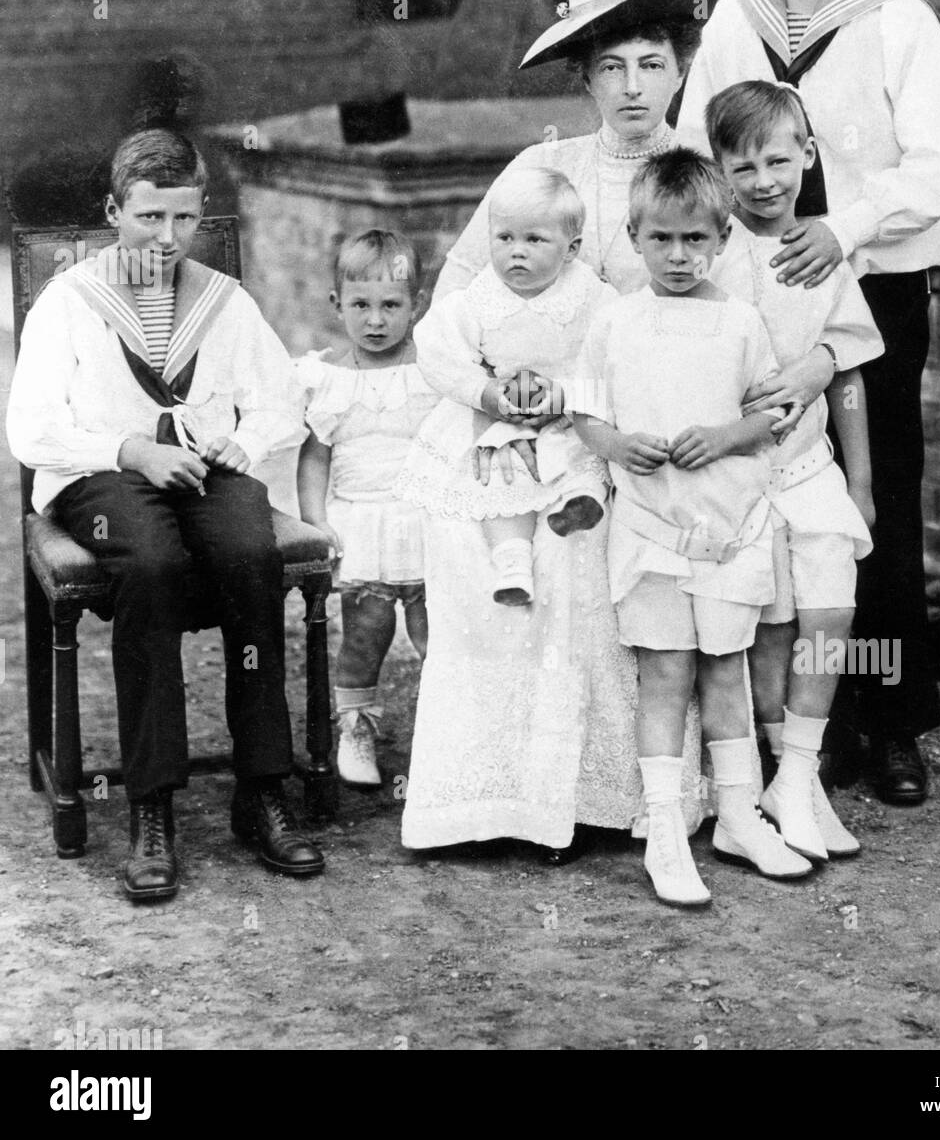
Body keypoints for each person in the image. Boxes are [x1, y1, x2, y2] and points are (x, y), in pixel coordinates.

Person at [399, 0, 724, 859]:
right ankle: (497, 793)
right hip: (525, 423)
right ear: (582, 80)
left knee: (592, 536)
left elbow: (731, 326)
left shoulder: (695, 181)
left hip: (643, 437)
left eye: (652, 63)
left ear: (679, 71)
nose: (632, 86)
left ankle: (613, 791)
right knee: (492, 534)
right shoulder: (542, 176)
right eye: (612, 66)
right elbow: (459, 296)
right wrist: (507, 387)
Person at [678, 0, 940, 805]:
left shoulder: (897, 18)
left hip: (869, 281)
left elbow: (932, 169)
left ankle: (891, 723)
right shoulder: (731, 24)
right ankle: (811, 722)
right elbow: (694, 149)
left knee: (873, 497)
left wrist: (844, 229)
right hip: (761, 287)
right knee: (776, 494)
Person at [6, 129, 324, 902]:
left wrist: (241, 445)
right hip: (101, 474)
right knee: (148, 564)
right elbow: (32, 428)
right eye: (149, 218)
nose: (167, 238)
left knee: (250, 554)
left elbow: (281, 398)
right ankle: (152, 804)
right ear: (114, 211)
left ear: (200, 213)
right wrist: (132, 450)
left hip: (206, 471)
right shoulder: (71, 299)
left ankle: (261, 788)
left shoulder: (221, 299)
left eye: (183, 219)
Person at [573, 149, 815, 907]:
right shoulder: (614, 321)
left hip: (728, 529)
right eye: (661, 240)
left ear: (721, 238)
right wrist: (614, 445)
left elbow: (771, 414)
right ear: (634, 237)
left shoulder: (740, 321)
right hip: (651, 534)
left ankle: (740, 814)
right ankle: (667, 828)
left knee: (726, 671)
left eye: (695, 241)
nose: (678, 257)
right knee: (666, 673)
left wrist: (724, 434)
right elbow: (584, 412)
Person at [707, 80, 884, 860]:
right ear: (718, 170)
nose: (764, 181)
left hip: (809, 467)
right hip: (740, 476)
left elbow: (846, 368)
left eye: (778, 161)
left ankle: (802, 768)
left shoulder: (816, 250)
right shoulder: (708, 253)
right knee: (767, 627)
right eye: (742, 167)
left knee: (829, 610)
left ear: (807, 157)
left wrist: (864, 482)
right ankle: (789, 783)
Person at [400, 168, 612, 608]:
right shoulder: (478, 298)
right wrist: (485, 393)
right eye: (504, 238)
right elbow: (436, 353)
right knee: (498, 476)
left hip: (568, 414)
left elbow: (617, 359)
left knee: (580, 458)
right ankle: (512, 561)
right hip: (502, 410)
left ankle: (580, 504)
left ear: (571, 249)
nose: (516, 252)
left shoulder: (595, 298)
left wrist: (568, 396)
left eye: (534, 240)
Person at [295, 230, 438, 788]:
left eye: (390, 305)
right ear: (337, 304)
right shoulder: (328, 377)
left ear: (416, 305)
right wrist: (317, 522)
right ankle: (355, 726)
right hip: (363, 519)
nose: (374, 320)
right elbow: (314, 459)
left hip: (428, 516)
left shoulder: (433, 370)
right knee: (366, 630)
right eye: (360, 305)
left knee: (437, 632)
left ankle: (443, 732)